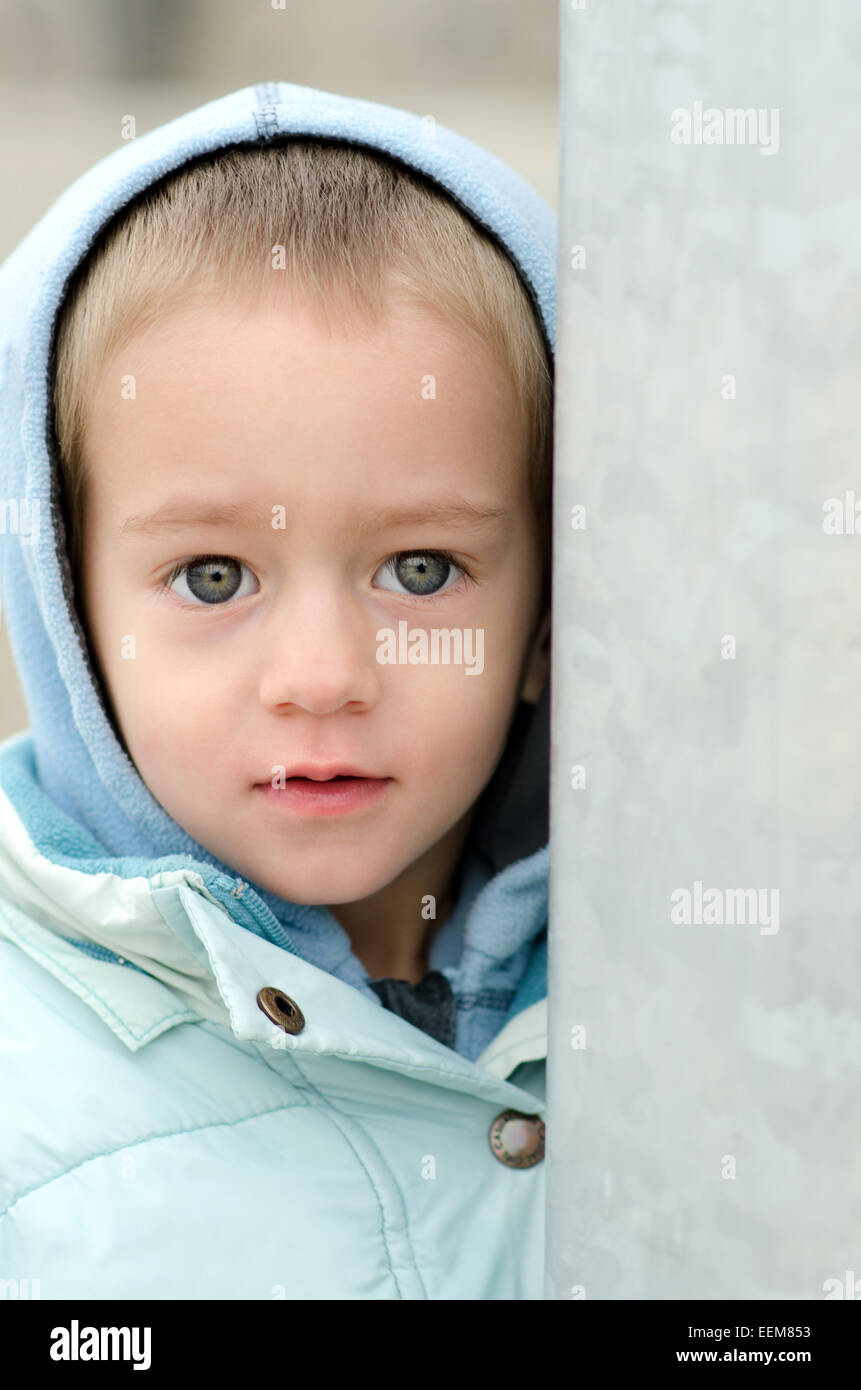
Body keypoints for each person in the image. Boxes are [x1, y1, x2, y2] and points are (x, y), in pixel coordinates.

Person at [0, 81, 554, 1299]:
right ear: (69, 613)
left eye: (421, 570)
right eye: (212, 576)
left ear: (553, 614)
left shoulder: (719, 998)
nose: (321, 678)